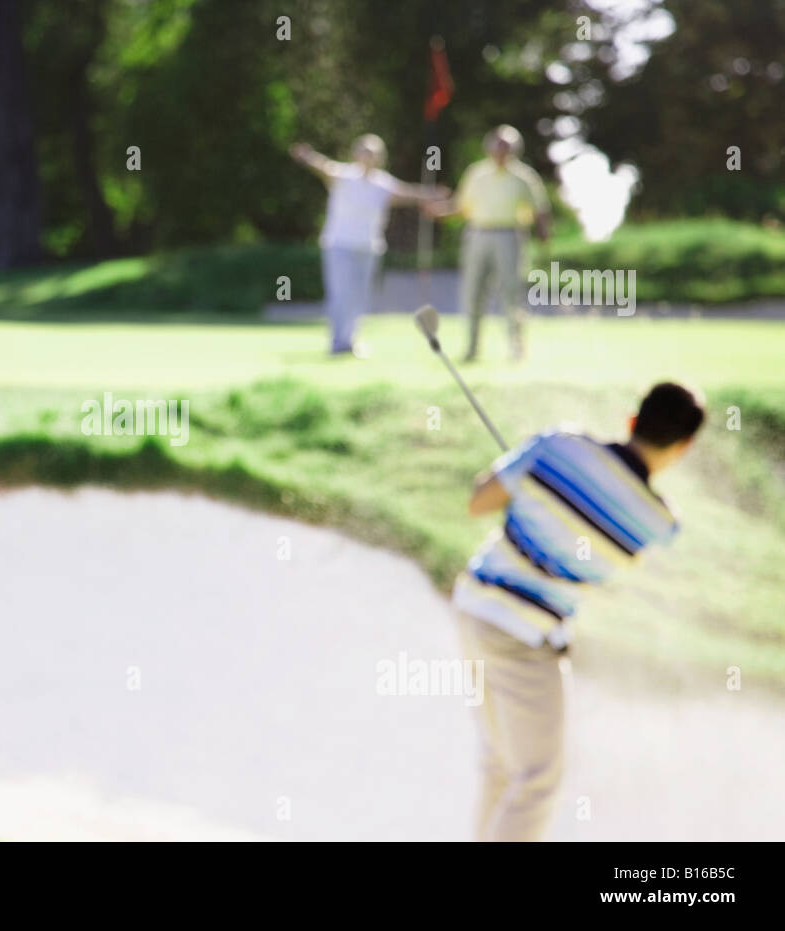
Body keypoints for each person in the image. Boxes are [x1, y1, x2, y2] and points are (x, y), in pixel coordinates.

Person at [452, 381, 705, 841]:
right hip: (523, 637)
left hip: (474, 608)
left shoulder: (558, 444)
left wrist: (519, 473)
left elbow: (479, 501)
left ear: (632, 419)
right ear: (683, 447)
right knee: (538, 780)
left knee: (504, 765)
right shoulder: (660, 522)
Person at [290, 135, 447, 357]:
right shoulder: (342, 175)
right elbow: (322, 166)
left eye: (373, 153)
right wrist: (307, 156)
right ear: (355, 154)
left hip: (369, 248)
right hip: (339, 245)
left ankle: (350, 339)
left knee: (359, 296)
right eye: (364, 151)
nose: (369, 157)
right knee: (340, 293)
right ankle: (338, 343)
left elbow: (408, 193)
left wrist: (432, 194)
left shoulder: (383, 183)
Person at [428, 124, 550, 362]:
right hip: (478, 234)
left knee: (510, 293)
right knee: (473, 292)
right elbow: (461, 206)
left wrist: (544, 237)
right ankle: (472, 349)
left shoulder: (523, 177)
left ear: (515, 149)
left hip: (509, 235)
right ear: (489, 147)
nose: (502, 151)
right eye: (498, 145)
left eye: (507, 146)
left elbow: (540, 211)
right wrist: (438, 212)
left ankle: (516, 348)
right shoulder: (477, 173)